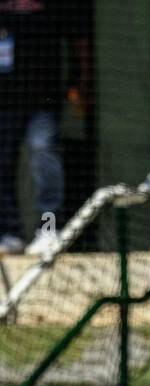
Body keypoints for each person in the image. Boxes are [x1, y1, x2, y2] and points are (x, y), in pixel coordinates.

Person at [0, 0, 90, 255]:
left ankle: (50, 229)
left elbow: (78, 38)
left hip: (43, 96)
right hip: (4, 99)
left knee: (43, 152)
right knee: (2, 161)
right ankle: (9, 233)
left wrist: (82, 83)